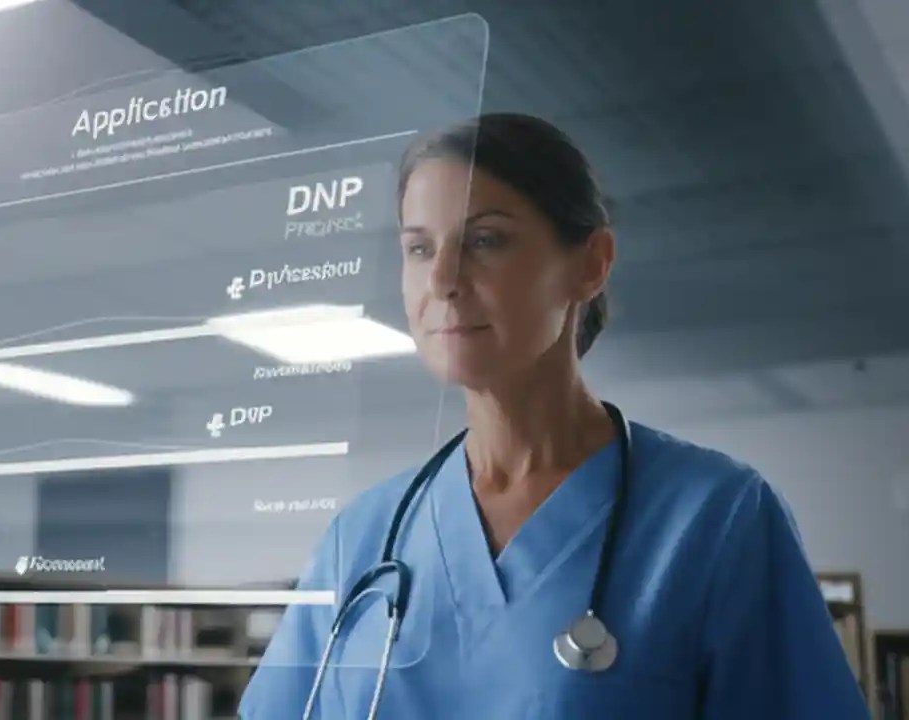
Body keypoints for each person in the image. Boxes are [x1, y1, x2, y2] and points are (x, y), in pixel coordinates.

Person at [237, 113, 870, 718]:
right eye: (419, 249)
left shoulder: (717, 518)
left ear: (591, 264)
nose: (444, 281)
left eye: (485, 240)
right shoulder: (365, 535)